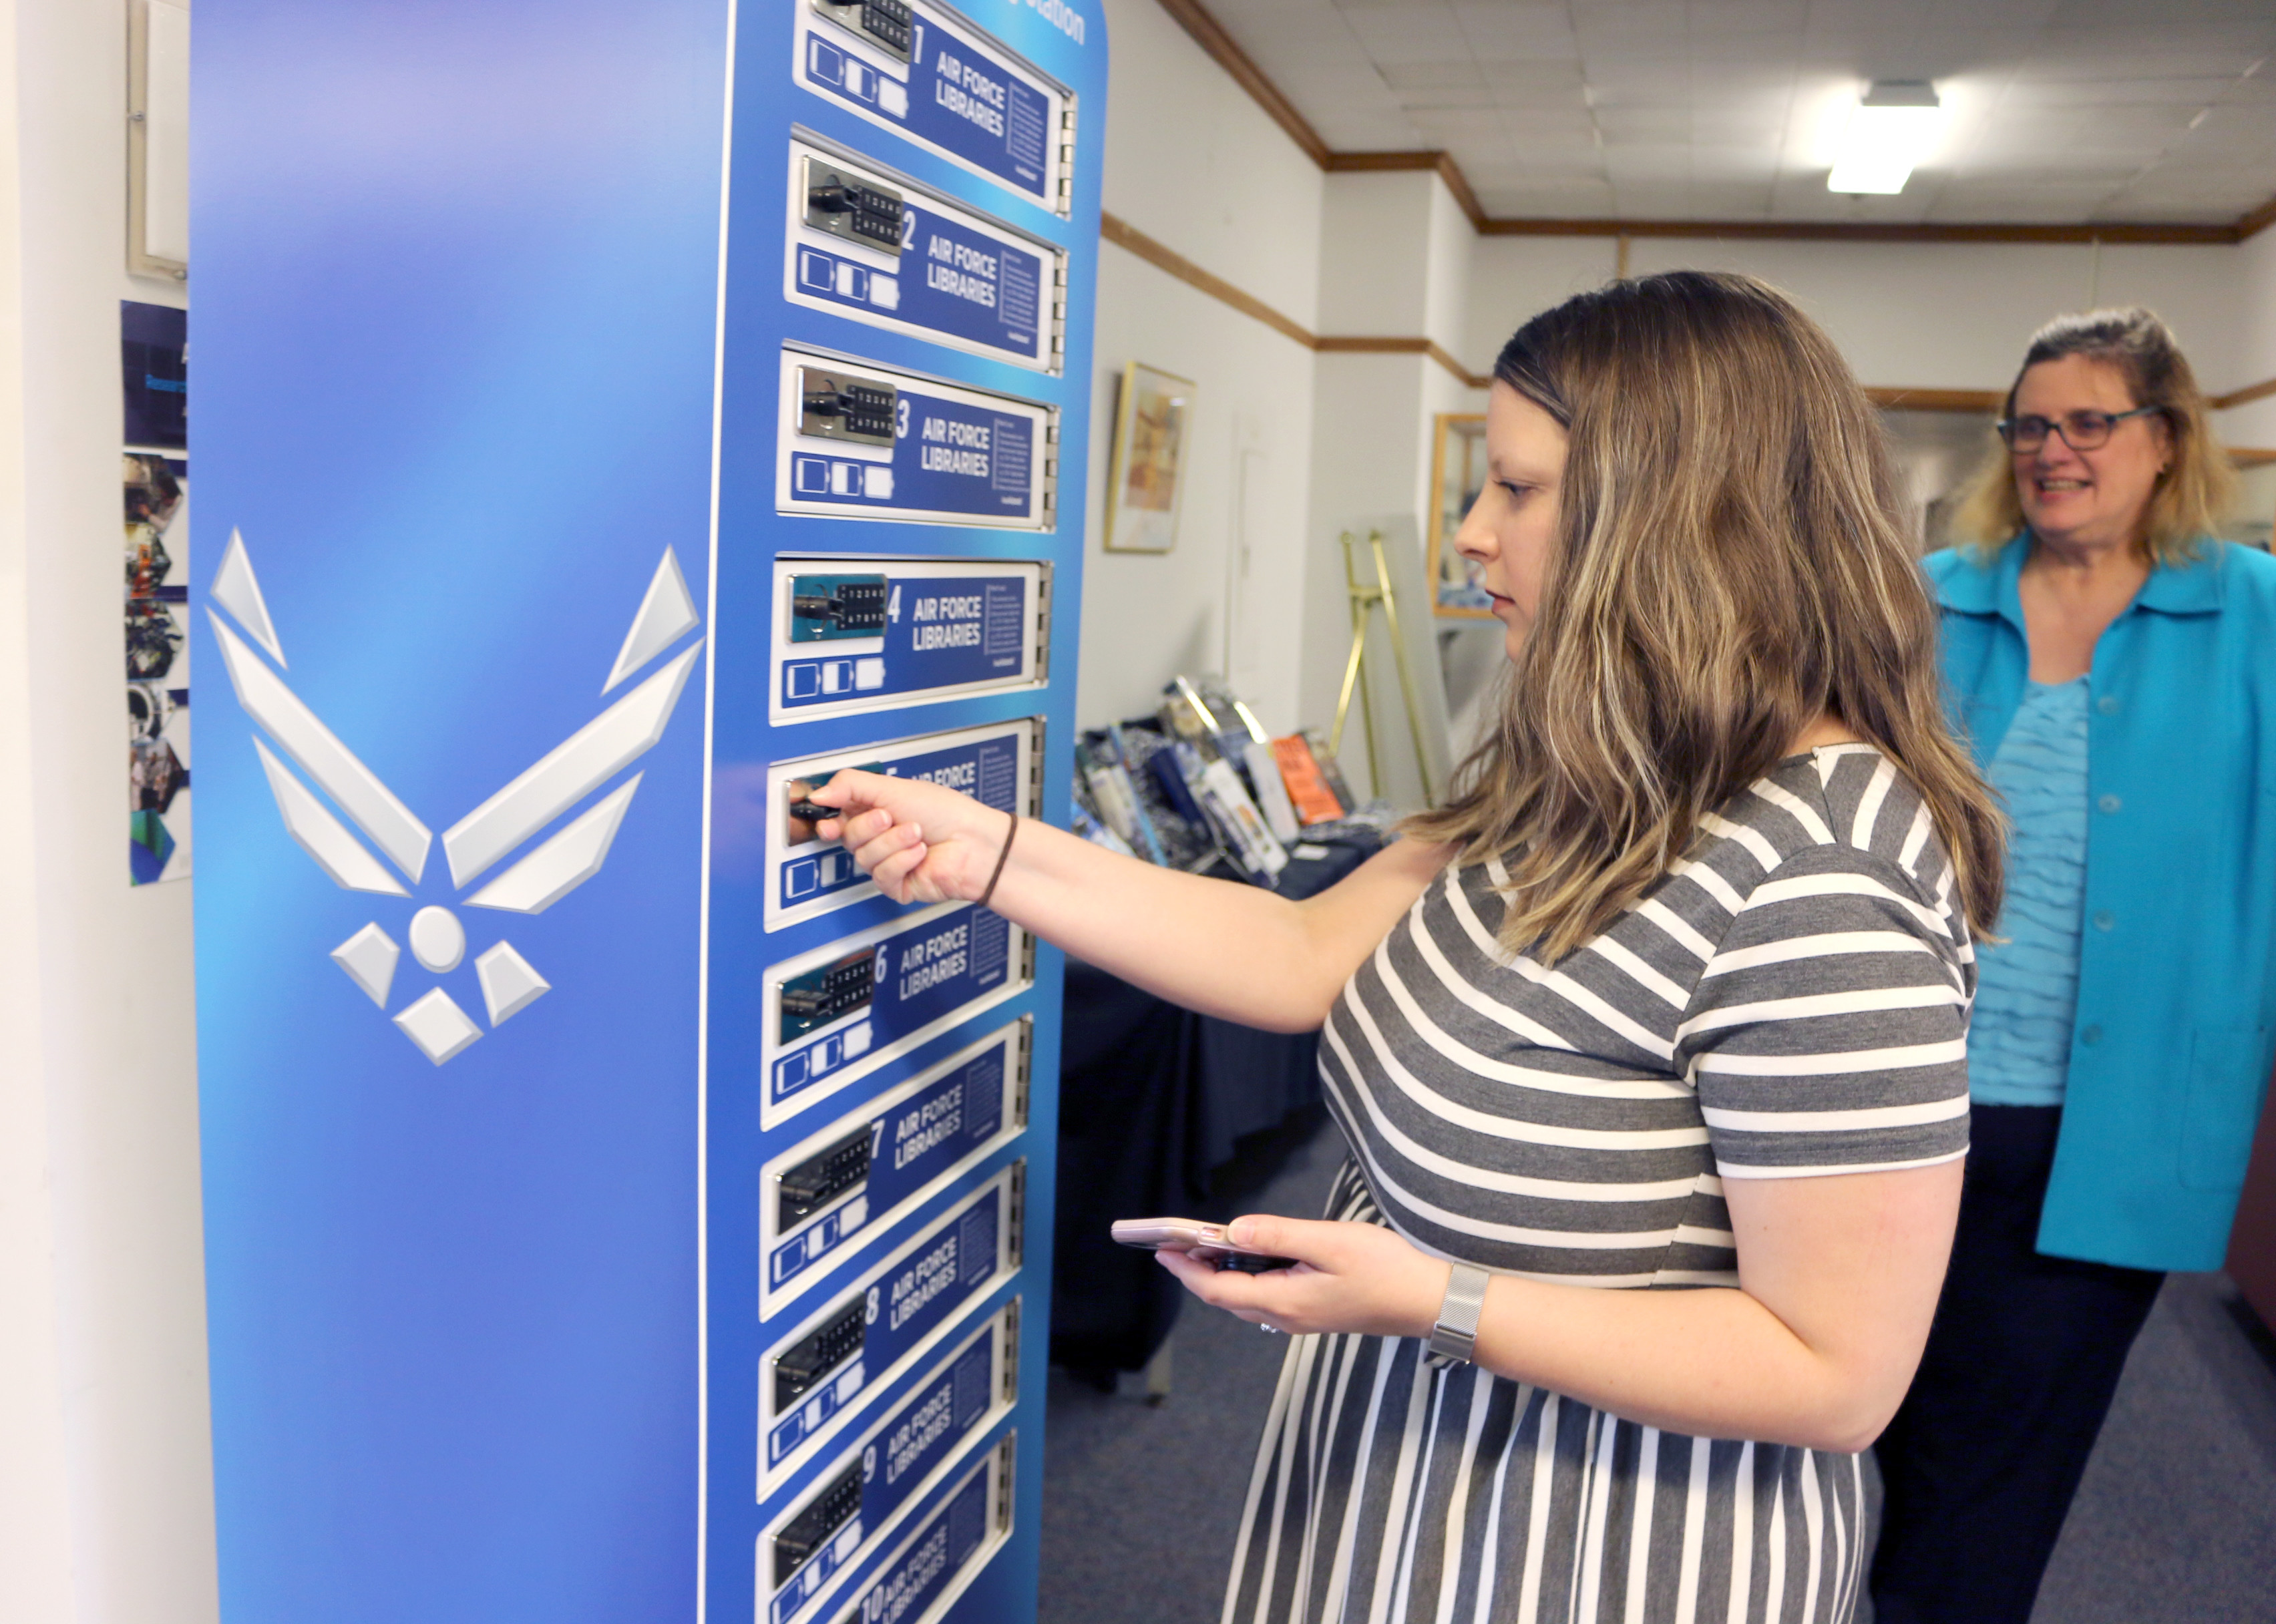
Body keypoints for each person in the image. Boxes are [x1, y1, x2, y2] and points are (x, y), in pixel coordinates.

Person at [812, 270, 2003, 1623]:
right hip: (1416, 1485)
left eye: (1517, 488)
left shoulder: (1826, 875)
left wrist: (1437, 1298)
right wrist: (997, 855)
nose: (1472, 533)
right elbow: (1306, 945)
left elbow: (1836, 1371)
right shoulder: (1597, 767)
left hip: (1611, 1549)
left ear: (1673, 513)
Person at [1869, 307, 2270, 1623]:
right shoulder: (1930, 602)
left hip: (2111, 1127)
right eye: (2032, 424)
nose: (2054, 448)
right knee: (1838, 1425)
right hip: (1893, 1107)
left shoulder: (2254, 618)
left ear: (2166, 440)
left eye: (2089, 421)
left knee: (1994, 1476)